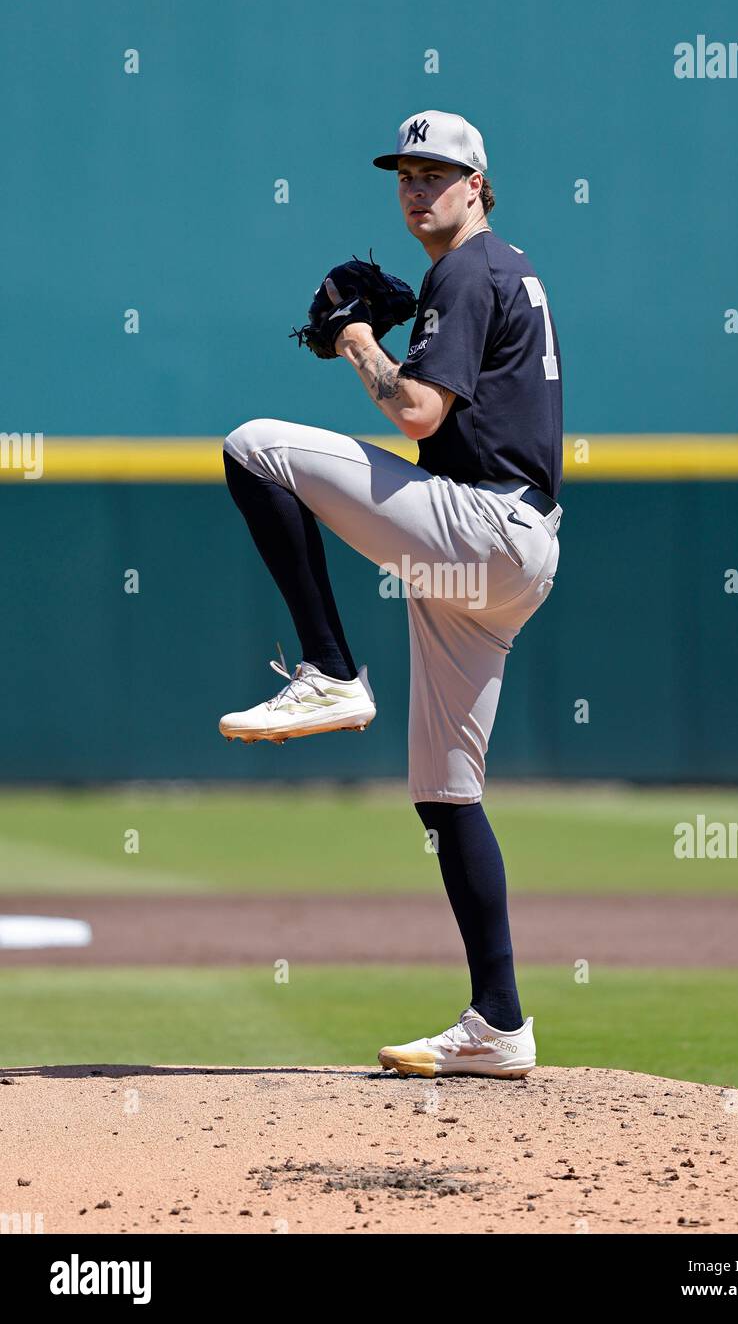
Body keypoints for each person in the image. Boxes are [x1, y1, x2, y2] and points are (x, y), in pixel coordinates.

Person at [220, 110, 563, 1078]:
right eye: (404, 174)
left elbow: (414, 409)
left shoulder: (467, 267)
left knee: (254, 444)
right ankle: (497, 1023)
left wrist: (359, 338)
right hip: (502, 555)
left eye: (437, 173)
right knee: (445, 791)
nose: (417, 188)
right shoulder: (506, 270)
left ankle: (329, 667)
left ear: (476, 184)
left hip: (481, 524)